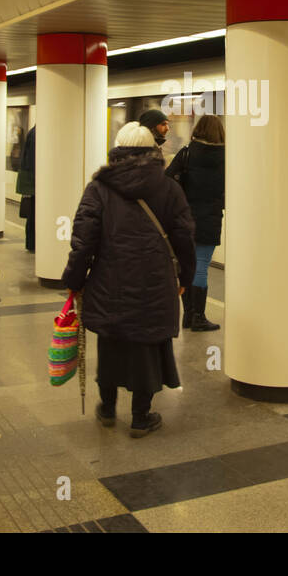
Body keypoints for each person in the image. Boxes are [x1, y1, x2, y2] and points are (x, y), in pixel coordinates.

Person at [64, 122, 195, 438]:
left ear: (116, 151)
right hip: (156, 283)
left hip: (111, 282)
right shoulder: (169, 188)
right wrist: (185, 277)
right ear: (153, 151)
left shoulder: (99, 189)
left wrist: (74, 279)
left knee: (111, 342)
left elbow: (83, 241)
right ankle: (140, 416)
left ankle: (107, 409)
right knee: (148, 345)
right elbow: (184, 238)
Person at [165, 113, 223, 332]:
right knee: (201, 267)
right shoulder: (227, 156)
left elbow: (168, 180)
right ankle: (198, 317)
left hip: (185, 217)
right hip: (210, 218)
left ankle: (188, 316)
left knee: (187, 266)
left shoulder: (187, 154)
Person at [15, 126, 36, 253]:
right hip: (32, 181)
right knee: (34, 213)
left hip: (31, 180)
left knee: (33, 213)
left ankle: (31, 242)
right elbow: (34, 159)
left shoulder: (33, 131)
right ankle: (32, 242)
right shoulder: (36, 133)